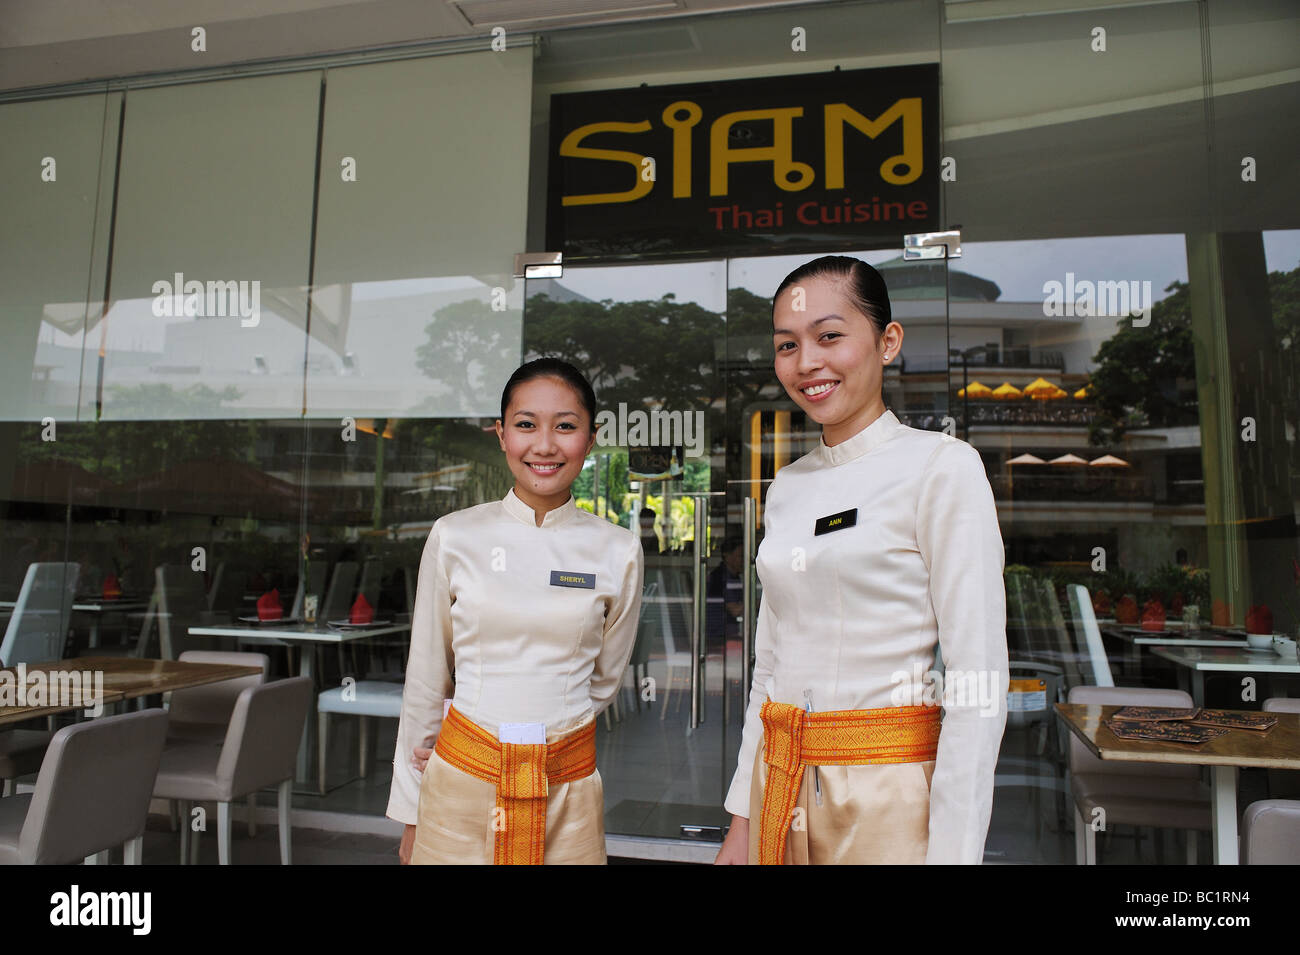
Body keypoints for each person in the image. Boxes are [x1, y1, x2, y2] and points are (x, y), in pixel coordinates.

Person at [714, 255, 1008, 865]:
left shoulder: (941, 467)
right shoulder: (788, 486)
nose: (807, 363)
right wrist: (741, 825)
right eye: (787, 345)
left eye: (829, 336)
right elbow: (769, 669)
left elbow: (977, 681)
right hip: (781, 784)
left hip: (885, 796)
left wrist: (953, 855)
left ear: (887, 341)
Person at [387, 358, 644, 865]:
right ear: (502, 435)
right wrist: (412, 809)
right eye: (526, 425)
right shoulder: (455, 536)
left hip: (567, 786)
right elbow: (425, 678)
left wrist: (542, 731)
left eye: (565, 427)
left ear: (591, 440)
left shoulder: (618, 550)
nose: (544, 445)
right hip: (460, 781)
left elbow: (604, 680)